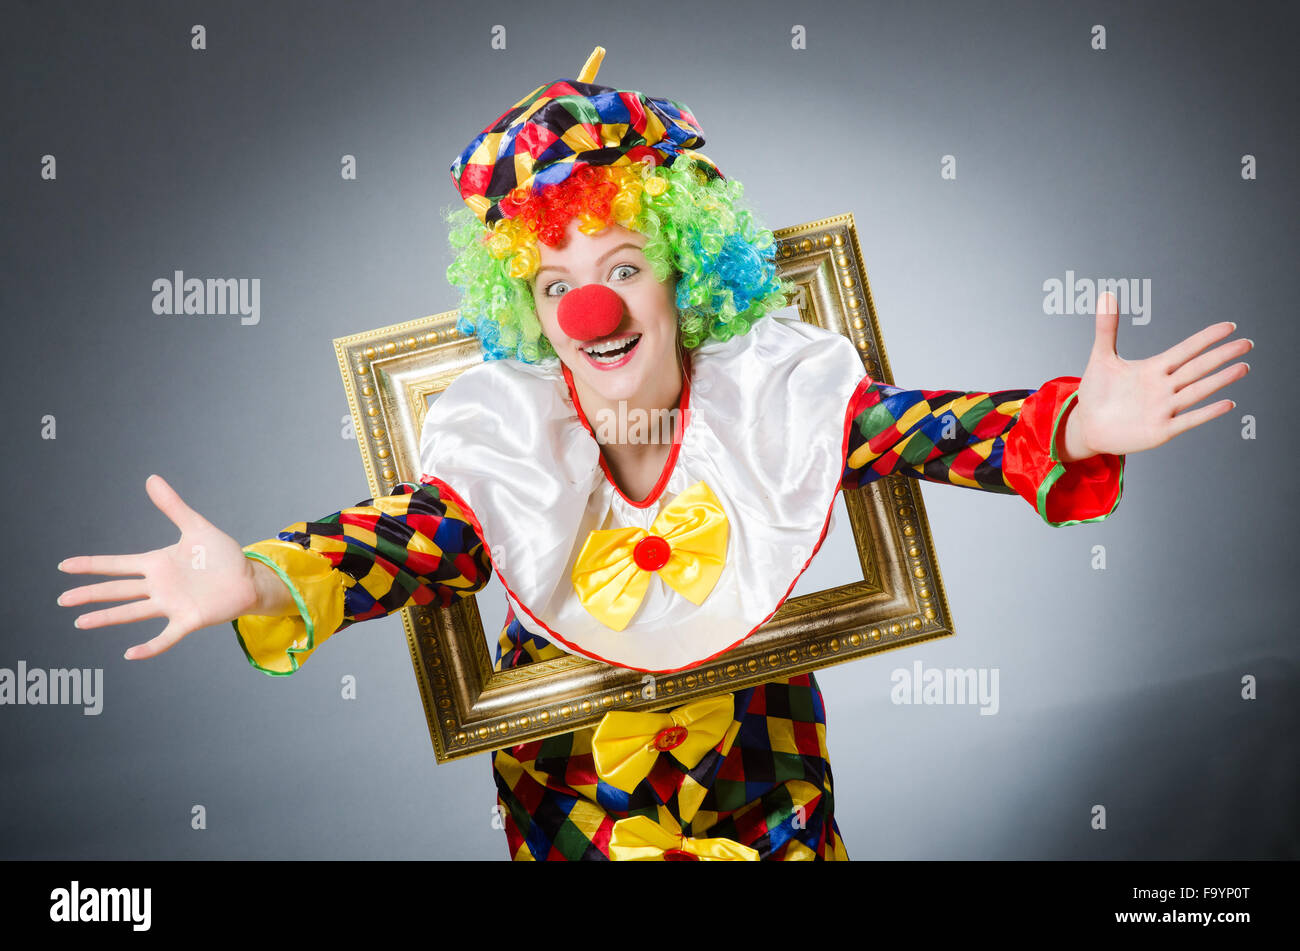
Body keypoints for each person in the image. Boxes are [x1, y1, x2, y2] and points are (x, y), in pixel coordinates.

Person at [56, 47, 1252, 860]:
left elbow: (921, 431)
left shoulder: (769, 396)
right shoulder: (512, 440)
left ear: (683, 274)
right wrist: (265, 581)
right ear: (526, 306)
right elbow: (411, 539)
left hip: (761, 762)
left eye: (623, 266)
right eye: (557, 284)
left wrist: (1075, 427)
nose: (591, 310)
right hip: (567, 779)